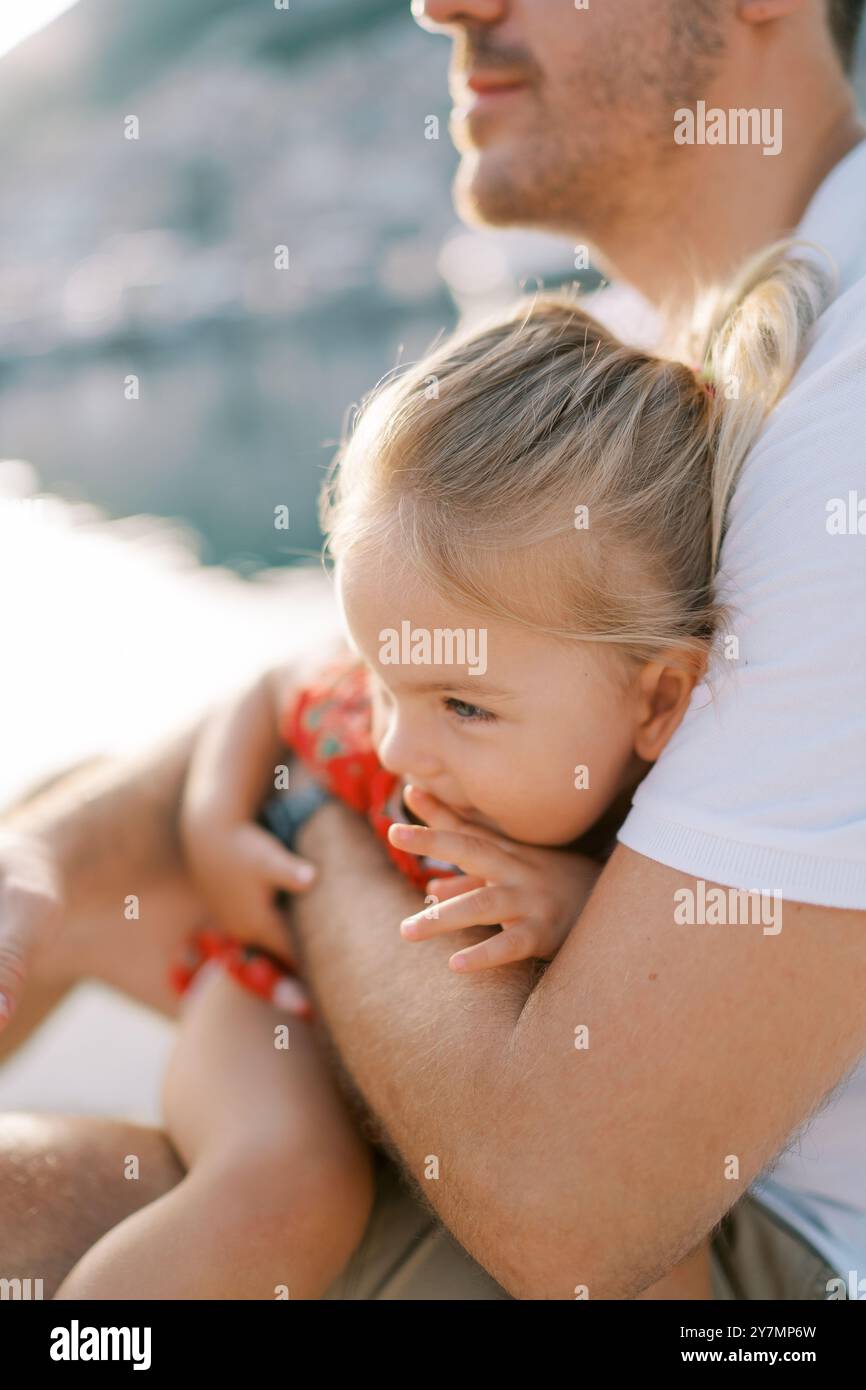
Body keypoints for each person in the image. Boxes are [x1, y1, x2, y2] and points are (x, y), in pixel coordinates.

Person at [2, 0, 865, 1301]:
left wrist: (304, 827)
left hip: (735, 1234)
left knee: (134, 1214)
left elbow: (570, 1212)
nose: (441, 4)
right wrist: (53, 860)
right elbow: (340, 677)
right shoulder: (617, 361)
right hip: (529, 1116)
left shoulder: (839, 425)